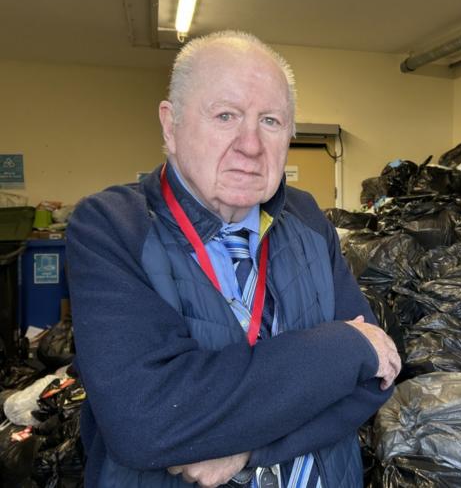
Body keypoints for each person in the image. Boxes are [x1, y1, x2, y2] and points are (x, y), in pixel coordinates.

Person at [66, 30, 401, 488]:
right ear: (171, 124)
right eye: (225, 115)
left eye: (271, 121)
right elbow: (146, 419)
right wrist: (345, 346)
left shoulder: (306, 215)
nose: (250, 145)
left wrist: (248, 447)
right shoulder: (112, 226)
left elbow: (371, 382)